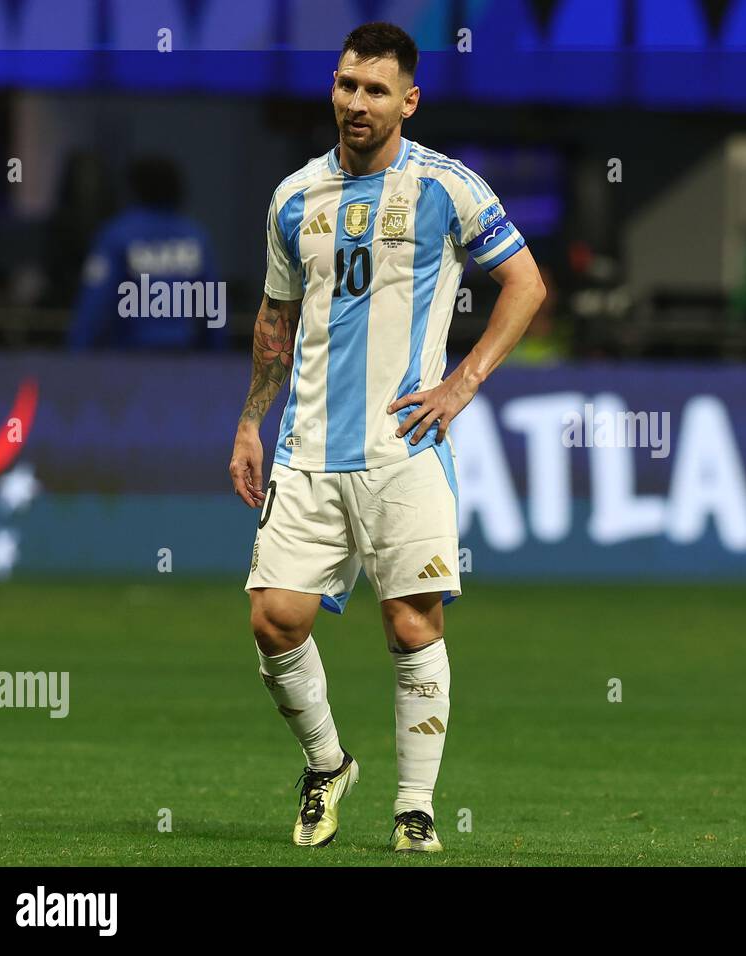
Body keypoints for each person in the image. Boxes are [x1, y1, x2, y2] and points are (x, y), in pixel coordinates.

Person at [227, 22, 545, 852]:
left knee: (411, 625)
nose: (356, 102)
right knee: (274, 619)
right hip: (305, 448)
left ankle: (415, 807)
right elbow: (275, 319)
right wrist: (250, 422)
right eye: (345, 85)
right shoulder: (295, 197)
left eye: (374, 90)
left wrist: (460, 385)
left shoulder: (447, 186)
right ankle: (327, 765)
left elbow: (525, 283)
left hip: (403, 448)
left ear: (409, 99)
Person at [68, 157, 222, 350]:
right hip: (183, 361)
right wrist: (218, 357)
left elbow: (94, 304)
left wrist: (75, 354)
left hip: (129, 361)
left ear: (134, 189)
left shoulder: (117, 235)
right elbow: (214, 306)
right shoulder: (195, 237)